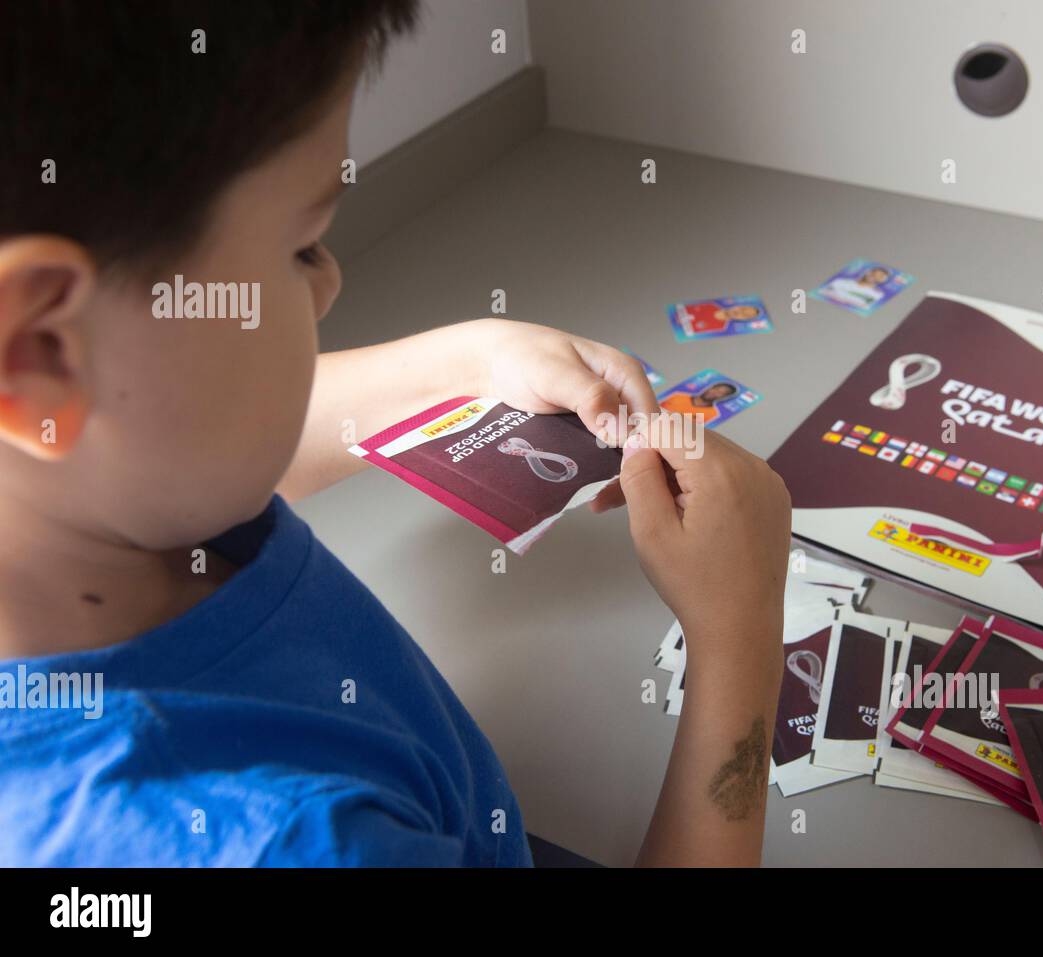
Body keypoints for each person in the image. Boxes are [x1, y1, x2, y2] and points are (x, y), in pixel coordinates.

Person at [0, 3, 791, 867]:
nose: (332, 282)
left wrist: (467, 361)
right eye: (303, 244)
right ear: (41, 344)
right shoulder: (297, 843)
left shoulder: (79, 491)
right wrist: (739, 636)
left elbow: (164, 444)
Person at [659, 381, 740, 426]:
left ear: (723, 397)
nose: (714, 392)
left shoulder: (712, 414)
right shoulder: (678, 396)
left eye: (720, 393)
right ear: (710, 387)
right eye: (716, 389)